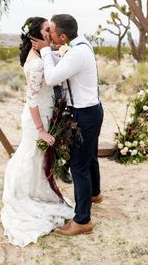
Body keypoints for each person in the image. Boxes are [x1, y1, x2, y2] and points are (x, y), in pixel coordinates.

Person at [1, 17, 73, 247]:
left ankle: (36, 190)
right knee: (32, 155)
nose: (50, 31)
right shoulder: (36, 63)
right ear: (35, 36)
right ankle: (27, 196)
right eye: (46, 29)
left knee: (36, 157)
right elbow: (32, 98)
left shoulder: (40, 56)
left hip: (43, 112)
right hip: (37, 117)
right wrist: (41, 129)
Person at [31, 14, 104, 236]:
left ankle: (82, 220)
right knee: (89, 156)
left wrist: (44, 50)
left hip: (85, 114)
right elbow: (62, 60)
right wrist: (49, 50)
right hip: (91, 111)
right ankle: (95, 194)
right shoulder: (79, 46)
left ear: (62, 36)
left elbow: (52, 78)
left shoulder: (77, 53)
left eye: (51, 31)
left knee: (78, 166)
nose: (48, 34)